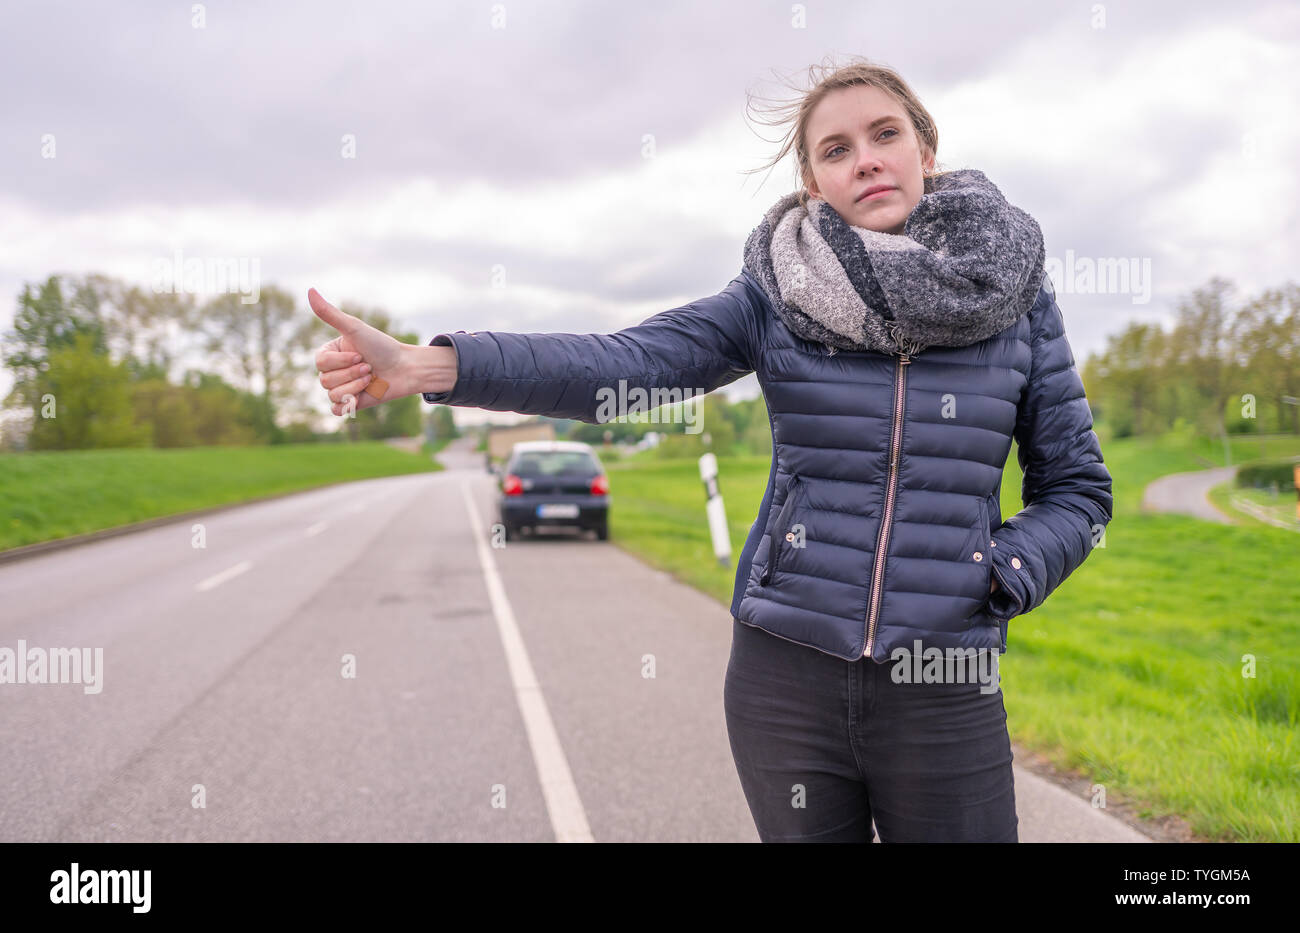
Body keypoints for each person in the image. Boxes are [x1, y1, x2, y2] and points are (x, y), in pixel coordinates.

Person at [307, 58, 1113, 843]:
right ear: (813, 182)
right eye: (835, 149)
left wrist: (1001, 572)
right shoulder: (776, 293)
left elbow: (1078, 488)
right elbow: (624, 365)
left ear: (924, 152)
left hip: (942, 682)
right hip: (784, 681)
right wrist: (427, 364)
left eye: (884, 134)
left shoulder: (1014, 297)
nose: (864, 159)